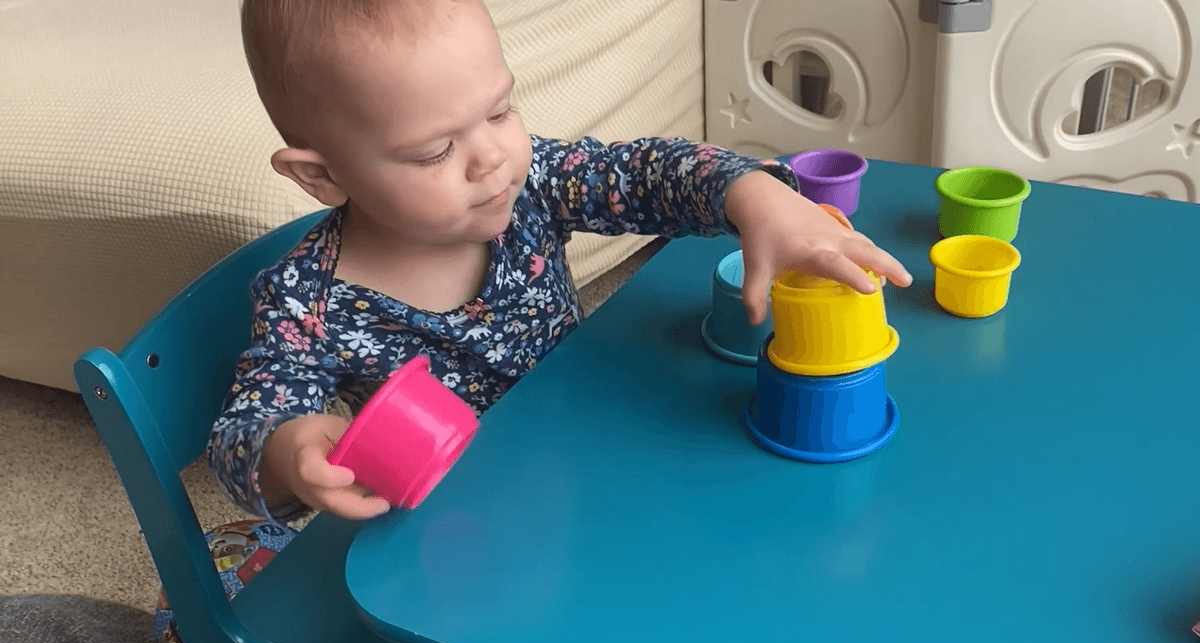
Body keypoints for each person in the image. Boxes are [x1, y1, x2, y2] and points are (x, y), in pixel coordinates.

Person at [211, 0, 913, 530]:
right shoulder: (305, 300)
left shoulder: (532, 181)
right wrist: (291, 449)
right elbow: (249, 420)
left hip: (590, 442)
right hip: (470, 524)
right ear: (321, 176)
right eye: (433, 152)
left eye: (499, 110)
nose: (491, 159)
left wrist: (751, 194)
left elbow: (643, 174)